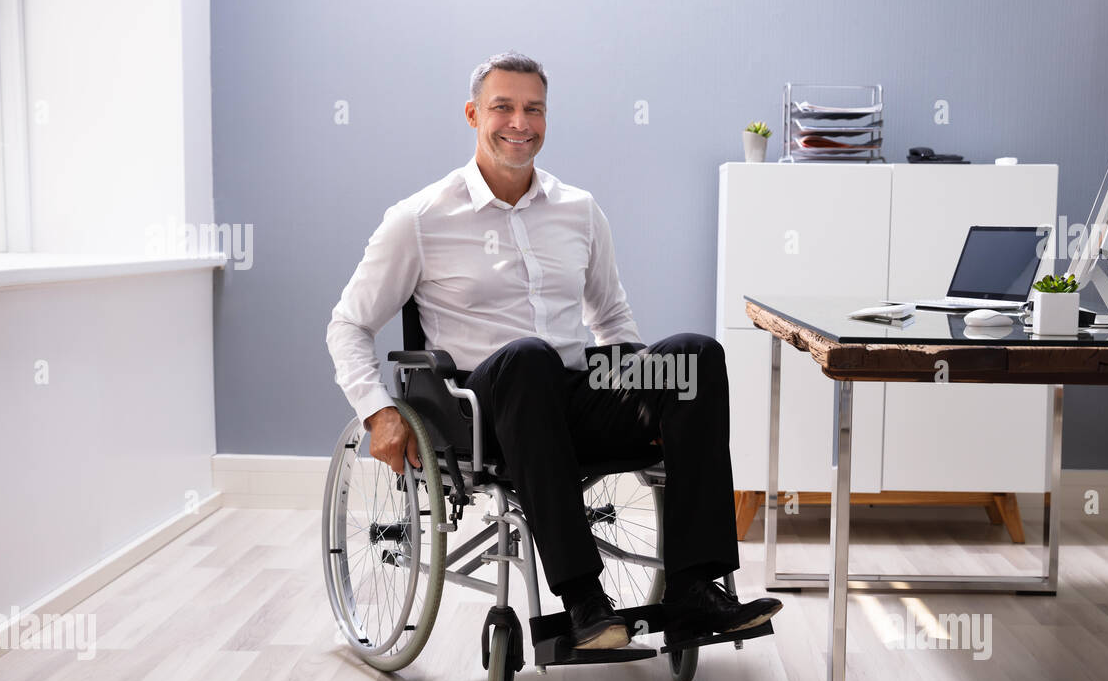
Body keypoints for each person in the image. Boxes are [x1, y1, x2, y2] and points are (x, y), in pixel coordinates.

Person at [326, 51, 780, 650]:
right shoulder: (419, 219)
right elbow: (347, 324)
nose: (520, 122)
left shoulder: (577, 209)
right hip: (481, 409)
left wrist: (644, 395)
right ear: (472, 114)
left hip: (571, 395)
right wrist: (378, 410)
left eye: (533, 109)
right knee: (529, 358)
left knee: (695, 358)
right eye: (503, 107)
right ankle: (585, 601)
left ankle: (695, 586)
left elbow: (612, 318)